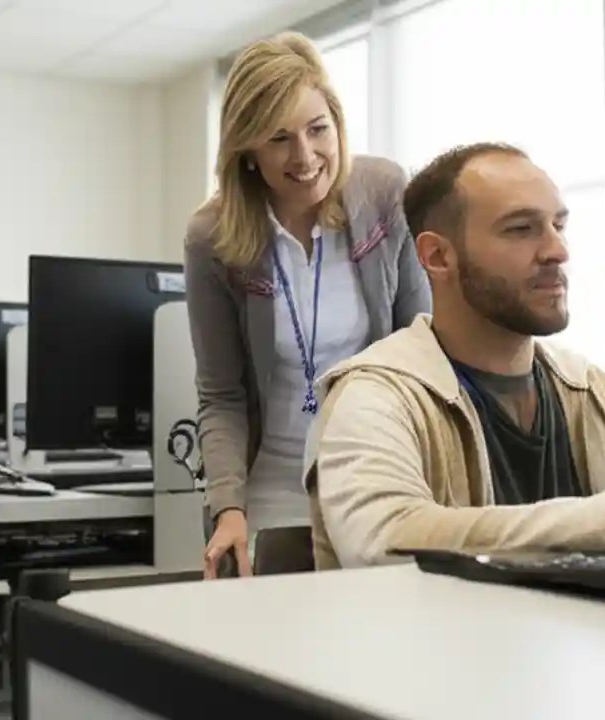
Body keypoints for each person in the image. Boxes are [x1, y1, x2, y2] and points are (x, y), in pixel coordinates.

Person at [304, 143, 605, 569]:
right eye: (521, 229)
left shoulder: (587, 388)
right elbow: (385, 539)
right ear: (438, 256)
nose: (557, 251)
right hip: (440, 654)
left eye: (558, 225)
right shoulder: (375, 393)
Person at [185, 32, 431, 578]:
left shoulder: (384, 192)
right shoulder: (213, 236)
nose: (305, 156)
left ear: (337, 122)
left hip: (373, 473)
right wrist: (228, 507)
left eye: (317, 129)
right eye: (278, 139)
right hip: (271, 491)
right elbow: (221, 395)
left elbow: (421, 349)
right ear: (247, 150)